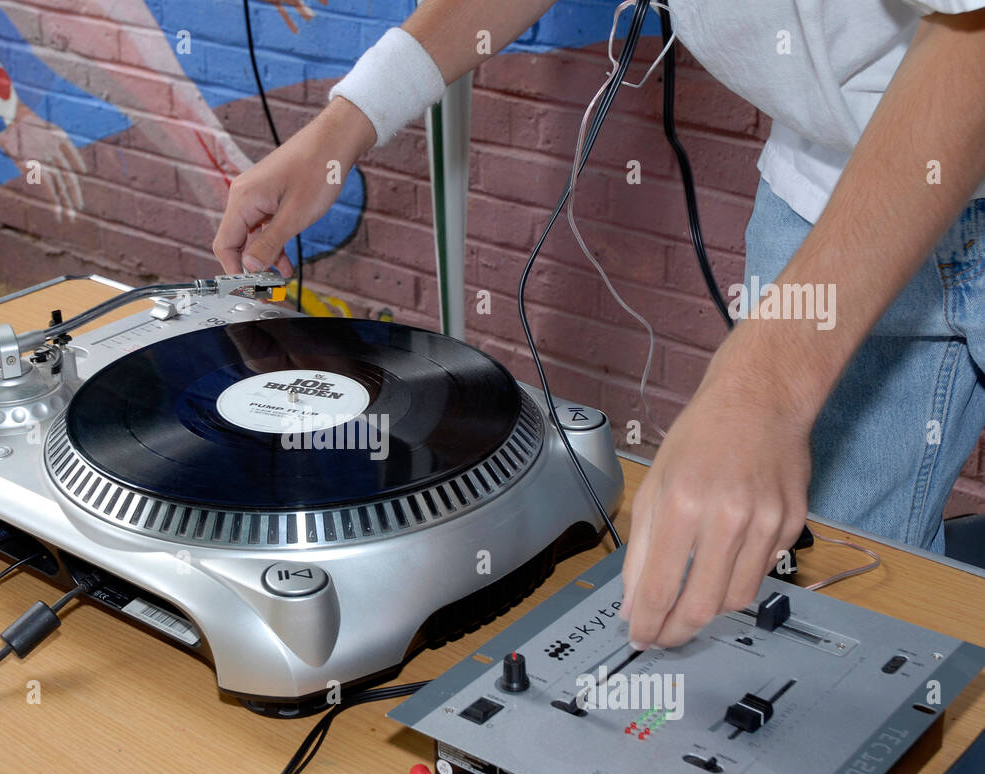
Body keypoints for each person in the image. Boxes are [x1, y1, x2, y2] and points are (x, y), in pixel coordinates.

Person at [212, 1, 985, 650]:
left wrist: (763, 387)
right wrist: (343, 128)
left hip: (934, 150)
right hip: (834, 187)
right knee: (829, 604)